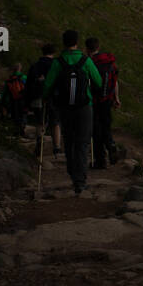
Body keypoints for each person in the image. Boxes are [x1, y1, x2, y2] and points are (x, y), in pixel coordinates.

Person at [41, 29, 102, 196]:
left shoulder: (58, 62)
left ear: (63, 43)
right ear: (77, 42)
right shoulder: (86, 60)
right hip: (84, 107)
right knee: (82, 143)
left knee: (69, 141)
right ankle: (80, 182)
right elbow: (98, 82)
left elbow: (48, 85)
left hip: (65, 107)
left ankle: (71, 172)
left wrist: (45, 97)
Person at [86, 37, 120, 169]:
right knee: (106, 126)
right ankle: (111, 145)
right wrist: (116, 98)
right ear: (98, 47)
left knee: (95, 130)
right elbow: (115, 80)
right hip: (107, 100)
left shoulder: (89, 62)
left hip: (93, 101)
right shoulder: (110, 62)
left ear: (87, 49)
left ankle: (100, 160)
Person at [24, 44, 61, 157]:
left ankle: (39, 144)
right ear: (53, 52)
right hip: (53, 97)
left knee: (40, 122)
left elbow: (28, 84)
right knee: (55, 123)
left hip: (37, 98)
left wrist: (27, 101)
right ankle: (57, 147)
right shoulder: (56, 65)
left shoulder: (35, 66)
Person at [2, 64, 27, 138]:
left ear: (13, 69)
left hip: (13, 101)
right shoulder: (24, 77)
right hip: (23, 100)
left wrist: (2, 101)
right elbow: (28, 88)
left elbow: (5, 93)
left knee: (15, 116)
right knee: (23, 115)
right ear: (20, 69)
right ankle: (22, 131)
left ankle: (17, 132)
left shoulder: (9, 80)